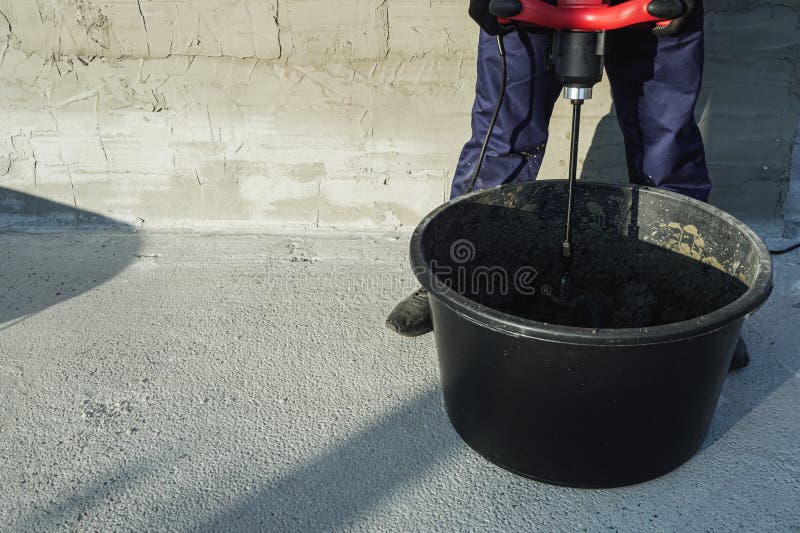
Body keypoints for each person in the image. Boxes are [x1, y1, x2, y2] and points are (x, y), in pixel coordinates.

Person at [386, 0, 751, 370]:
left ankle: (700, 314)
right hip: (530, 4)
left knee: (668, 149)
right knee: (502, 141)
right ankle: (457, 277)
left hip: (651, 6)